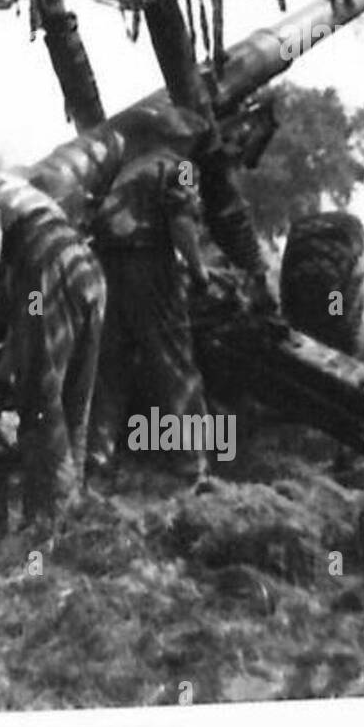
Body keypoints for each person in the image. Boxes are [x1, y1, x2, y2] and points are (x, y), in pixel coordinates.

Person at [0, 157, 106, 526]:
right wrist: (2, 373)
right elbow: (26, 321)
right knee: (74, 397)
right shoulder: (19, 193)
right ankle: (71, 510)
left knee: (42, 401)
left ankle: (47, 519)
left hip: (47, 262)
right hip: (83, 265)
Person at [88, 131, 214, 485]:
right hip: (149, 264)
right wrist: (199, 272)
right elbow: (182, 222)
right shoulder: (181, 166)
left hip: (107, 265)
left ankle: (98, 459)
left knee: (111, 366)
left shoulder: (130, 167)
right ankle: (191, 465)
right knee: (174, 362)